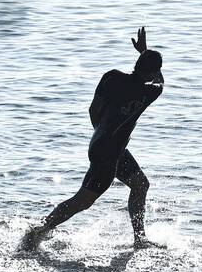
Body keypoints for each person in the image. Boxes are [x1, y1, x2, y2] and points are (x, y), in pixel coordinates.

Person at [21, 28, 163, 251]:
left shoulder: (111, 77)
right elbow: (160, 81)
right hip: (109, 154)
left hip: (102, 144)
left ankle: (139, 239)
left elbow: (93, 110)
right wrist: (143, 51)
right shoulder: (149, 93)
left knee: (140, 184)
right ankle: (37, 232)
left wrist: (103, 133)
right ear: (153, 71)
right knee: (83, 200)